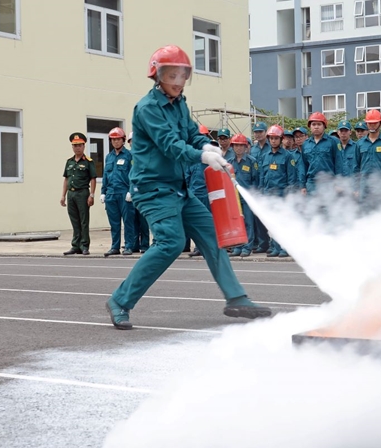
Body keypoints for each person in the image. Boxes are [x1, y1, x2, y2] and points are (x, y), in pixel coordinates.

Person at [105, 45, 270, 330]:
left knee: (211, 235)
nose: (179, 80)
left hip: (178, 188)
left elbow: (191, 133)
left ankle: (236, 298)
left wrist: (206, 145)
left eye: (183, 74)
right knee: (170, 242)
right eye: (172, 74)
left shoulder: (180, 103)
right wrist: (202, 156)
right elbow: (170, 145)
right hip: (153, 189)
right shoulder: (147, 109)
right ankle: (120, 301)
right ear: (158, 76)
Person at [259, 125, 297, 258]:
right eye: (271, 138)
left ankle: (284, 248)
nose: (273, 141)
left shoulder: (288, 156)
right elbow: (262, 176)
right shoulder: (265, 156)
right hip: (268, 194)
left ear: (281, 139)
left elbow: (292, 178)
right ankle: (275, 247)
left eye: (276, 138)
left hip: (282, 194)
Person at [100, 127, 135, 257]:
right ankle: (115, 246)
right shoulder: (108, 157)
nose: (115, 142)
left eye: (118, 139)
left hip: (124, 193)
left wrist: (131, 191)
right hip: (111, 194)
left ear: (123, 140)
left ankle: (129, 246)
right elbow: (105, 175)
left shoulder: (129, 155)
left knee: (128, 221)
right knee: (114, 223)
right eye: (113, 140)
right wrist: (103, 192)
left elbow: (134, 174)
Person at [61, 132, 97, 256]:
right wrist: (63, 195)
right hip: (71, 194)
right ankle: (75, 245)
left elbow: (93, 178)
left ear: (84, 146)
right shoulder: (69, 162)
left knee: (84, 221)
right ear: (72, 147)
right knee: (74, 221)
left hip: (82, 194)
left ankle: (85, 245)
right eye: (75, 145)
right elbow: (66, 179)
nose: (77, 148)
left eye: (80, 145)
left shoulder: (88, 162)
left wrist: (91, 195)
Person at [182, 124, 215, 257]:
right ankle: (195, 247)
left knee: (205, 223)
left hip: (206, 195)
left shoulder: (210, 158)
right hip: (193, 194)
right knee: (193, 224)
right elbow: (187, 177)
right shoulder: (192, 158)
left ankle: (204, 247)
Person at [227, 133, 259, 257]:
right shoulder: (229, 163)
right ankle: (237, 247)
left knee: (248, 223)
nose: (238, 148)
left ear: (246, 147)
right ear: (232, 147)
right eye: (236, 145)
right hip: (234, 198)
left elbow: (256, 180)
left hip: (247, 197)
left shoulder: (252, 162)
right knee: (236, 223)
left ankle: (247, 247)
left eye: (241, 145)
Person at [299, 112, 344, 195]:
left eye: (319, 124)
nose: (316, 127)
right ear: (310, 127)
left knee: (328, 207)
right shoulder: (306, 144)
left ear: (324, 126)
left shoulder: (333, 141)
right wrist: (303, 186)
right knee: (312, 207)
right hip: (311, 183)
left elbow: (339, 163)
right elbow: (303, 166)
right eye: (313, 124)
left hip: (329, 182)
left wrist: (339, 183)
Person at [354, 109, 381, 203]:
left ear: (380, 123)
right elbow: (356, 167)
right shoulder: (359, 144)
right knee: (365, 212)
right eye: (369, 123)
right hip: (364, 185)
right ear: (366, 124)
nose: (372, 125)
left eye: (375, 123)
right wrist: (356, 188)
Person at [248, 121, 270, 254]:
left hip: (269, 185)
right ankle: (263, 243)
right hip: (256, 186)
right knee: (258, 217)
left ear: (265, 132)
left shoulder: (271, 146)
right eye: (256, 132)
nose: (258, 134)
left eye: (260, 132)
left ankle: (275, 244)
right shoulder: (253, 149)